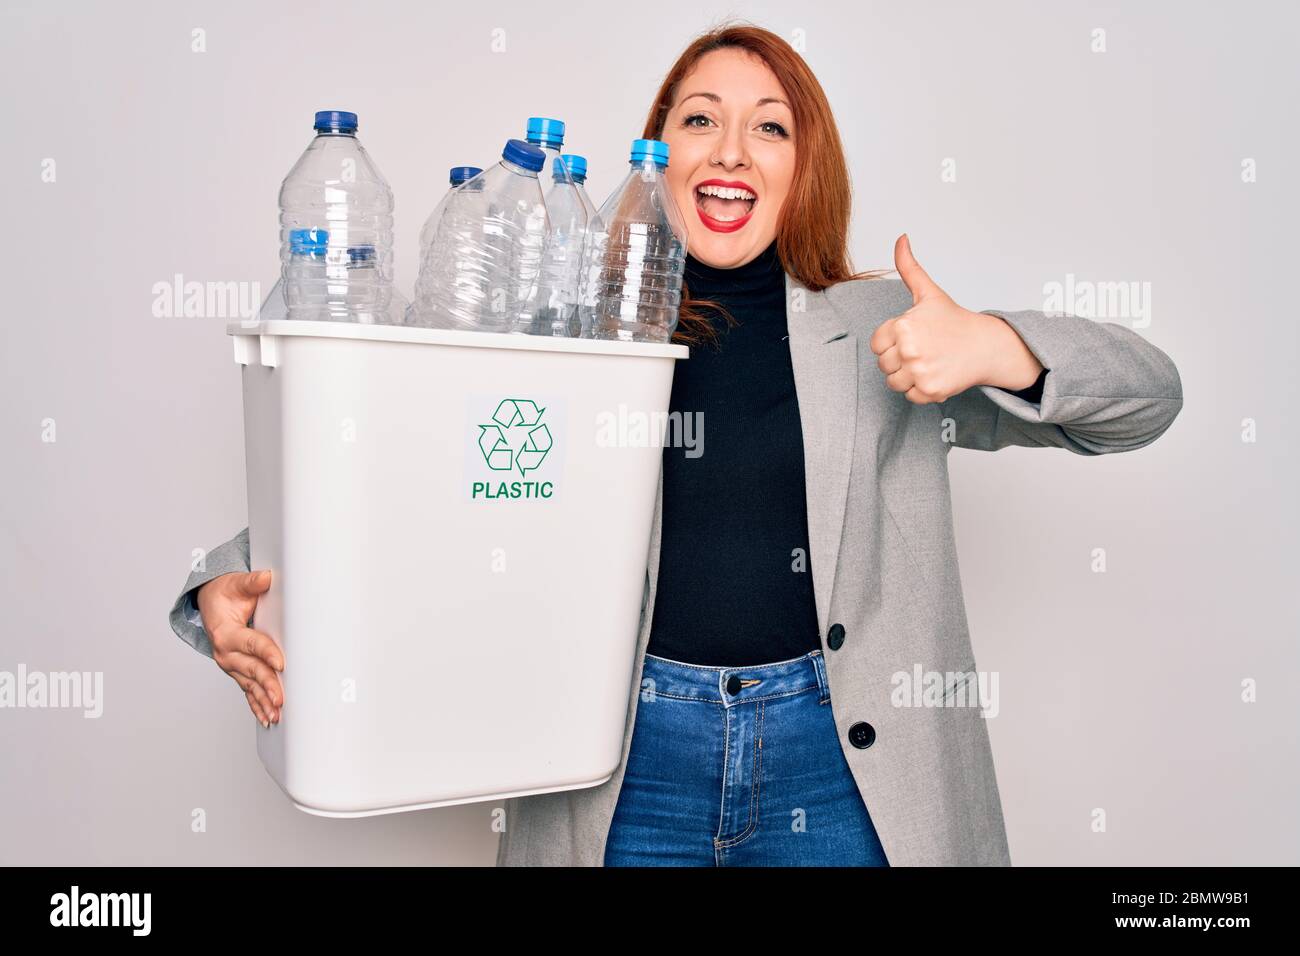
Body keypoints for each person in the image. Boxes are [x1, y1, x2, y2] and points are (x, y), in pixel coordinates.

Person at [168, 23, 1183, 866]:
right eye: (699, 119)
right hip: (621, 758)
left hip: (835, 762)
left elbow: (1146, 399)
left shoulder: (887, 331)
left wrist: (995, 345)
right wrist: (225, 578)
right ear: (656, 157)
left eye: (769, 128)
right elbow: (390, 465)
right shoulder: (563, 327)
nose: (731, 149)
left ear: (804, 168)